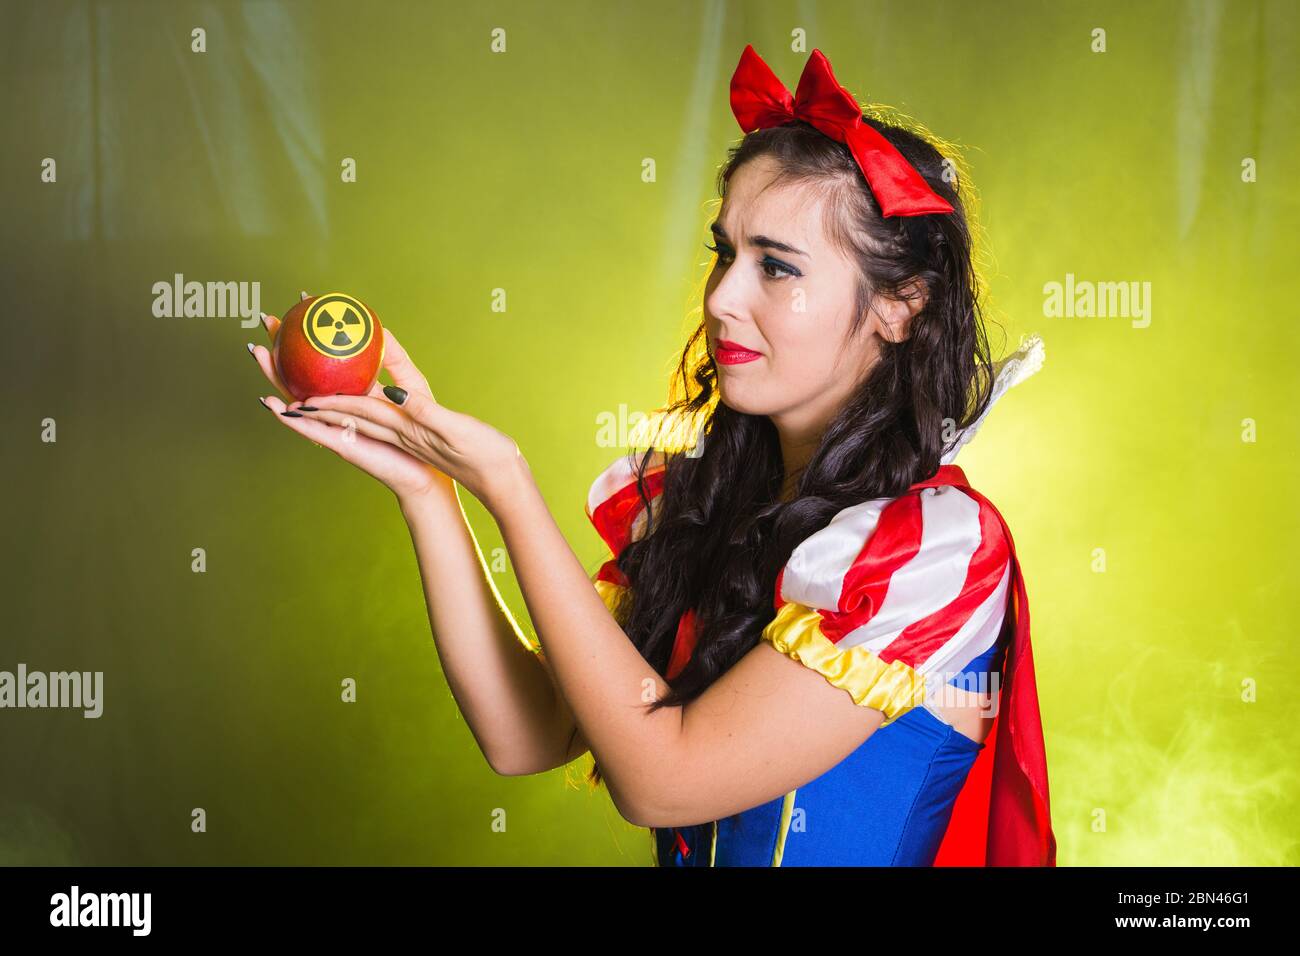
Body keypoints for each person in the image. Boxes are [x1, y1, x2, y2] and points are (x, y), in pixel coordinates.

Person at [247, 44, 1055, 866]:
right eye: (724, 252)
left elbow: (661, 780)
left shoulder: (934, 551)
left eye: (776, 266)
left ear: (899, 305)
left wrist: (509, 487)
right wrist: (428, 490)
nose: (722, 298)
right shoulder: (705, 501)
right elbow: (524, 733)